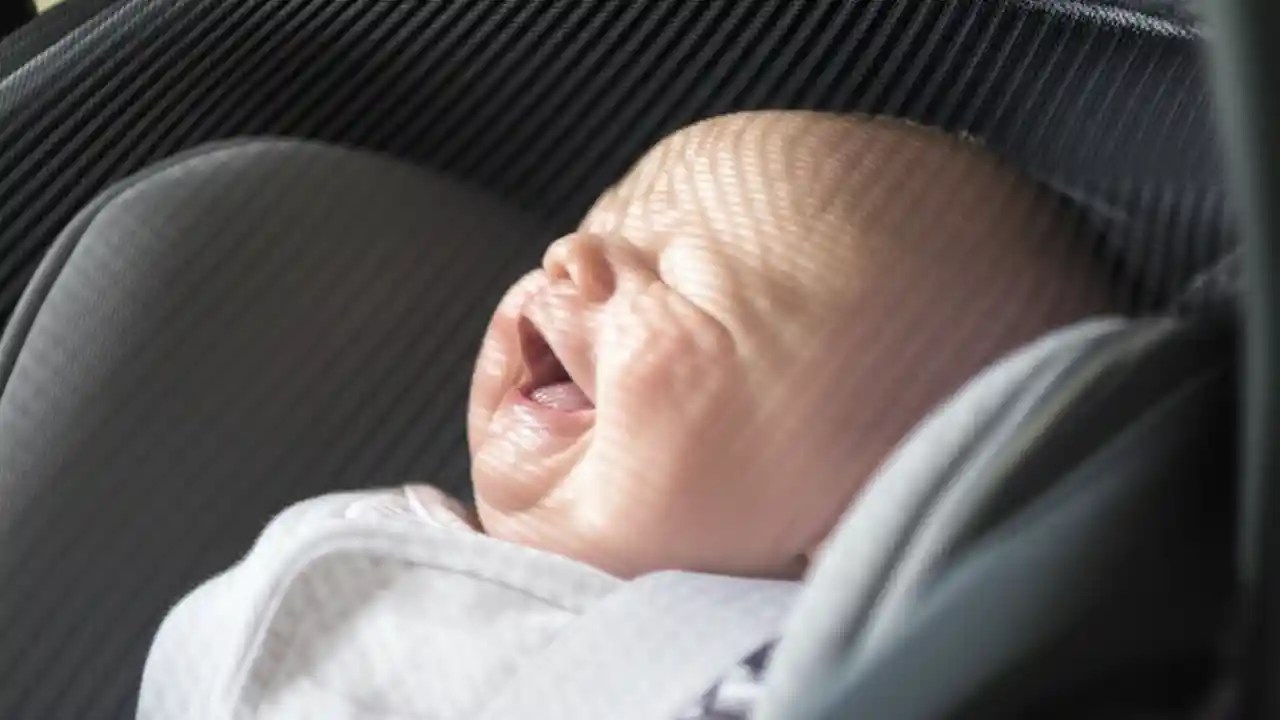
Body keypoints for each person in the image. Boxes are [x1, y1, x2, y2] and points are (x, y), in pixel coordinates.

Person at [137, 111, 1109, 719]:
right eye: (597, 226)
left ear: (885, 502)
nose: (570, 256)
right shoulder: (355, 584)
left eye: (682, 274)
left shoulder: (910, 676)